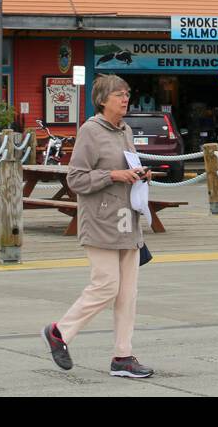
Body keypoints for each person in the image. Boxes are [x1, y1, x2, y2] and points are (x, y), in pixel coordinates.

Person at [42, 74, 153, 380]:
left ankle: (123, 355)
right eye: (119, 94)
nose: (125, 99)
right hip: (101, 220)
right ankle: (58, 332)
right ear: (102, 100)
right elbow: (75, 179)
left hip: (128, 221)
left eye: (127, 93)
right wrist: (113, 176)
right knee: (106, 285)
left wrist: (138, 174)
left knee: (127, 294)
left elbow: (124, 166)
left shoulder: (126, 130)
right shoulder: (90, 131)